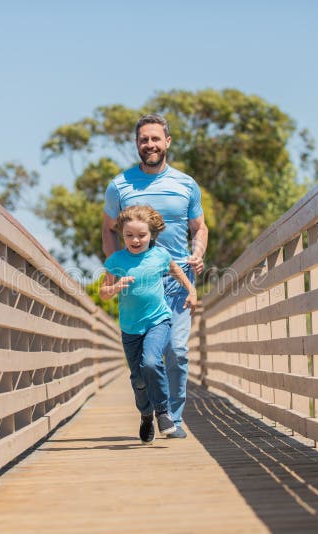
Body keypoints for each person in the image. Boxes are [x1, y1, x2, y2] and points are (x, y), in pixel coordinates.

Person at [103, 114, 208, 438]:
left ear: (167, 142)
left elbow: (199, 227)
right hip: (138, 283)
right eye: (143, 139)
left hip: (175, 280)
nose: (149, 144)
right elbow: (108, 230)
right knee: (143, 367)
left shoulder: (186, 184)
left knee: (176, 352)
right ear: (137, 144)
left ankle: (172, 418)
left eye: (155, 138)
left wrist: (198, 252)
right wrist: (115, 267)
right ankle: (149, 410)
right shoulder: (119, 185)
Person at [100, 205, 198, 443]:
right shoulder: (117, 260)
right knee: (139, 379)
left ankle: (163, 413)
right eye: (129, 235)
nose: (135, 240)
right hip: (131, 327)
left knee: (152, 362)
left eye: (141, 235)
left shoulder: (160, 256)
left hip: (158, 320)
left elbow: (177, 270)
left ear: (152, 235)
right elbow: (103, 292)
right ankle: (146, 415)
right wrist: (114, 288)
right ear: (122, 235)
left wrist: (191, 291)